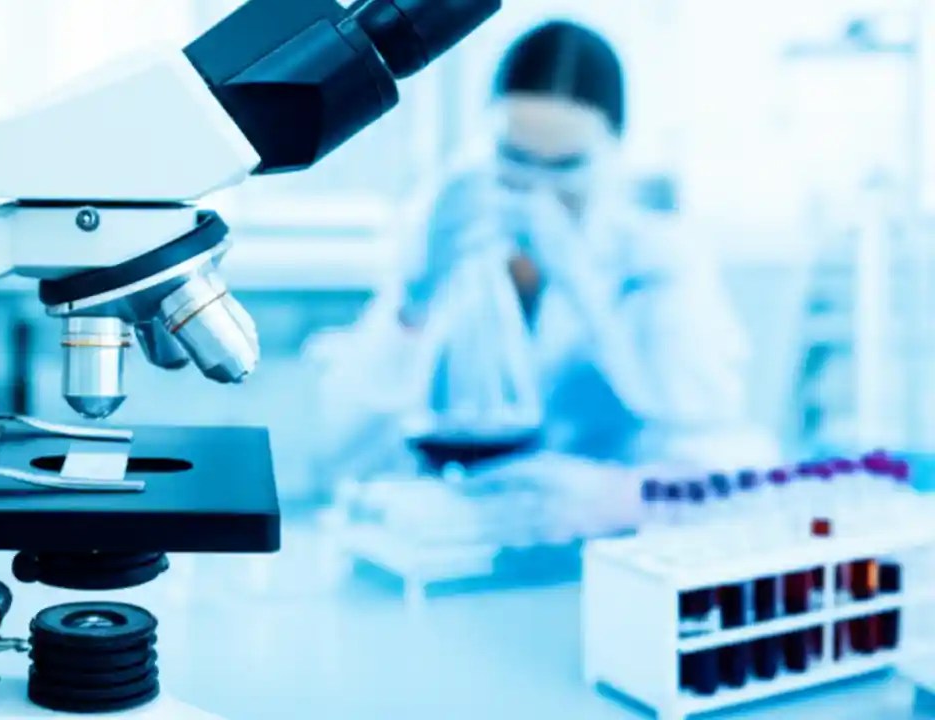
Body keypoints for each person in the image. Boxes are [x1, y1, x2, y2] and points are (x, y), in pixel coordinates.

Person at [313, 20, 776, 538]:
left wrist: (591, 300)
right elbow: (341, 448)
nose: (536, 188)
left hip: (609, 558)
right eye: (515, 159)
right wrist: (414, 303)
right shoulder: (453, 245)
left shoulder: (656, 258)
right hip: (471, 555)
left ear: (614, 150)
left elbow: (706, 433)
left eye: (567, 165)